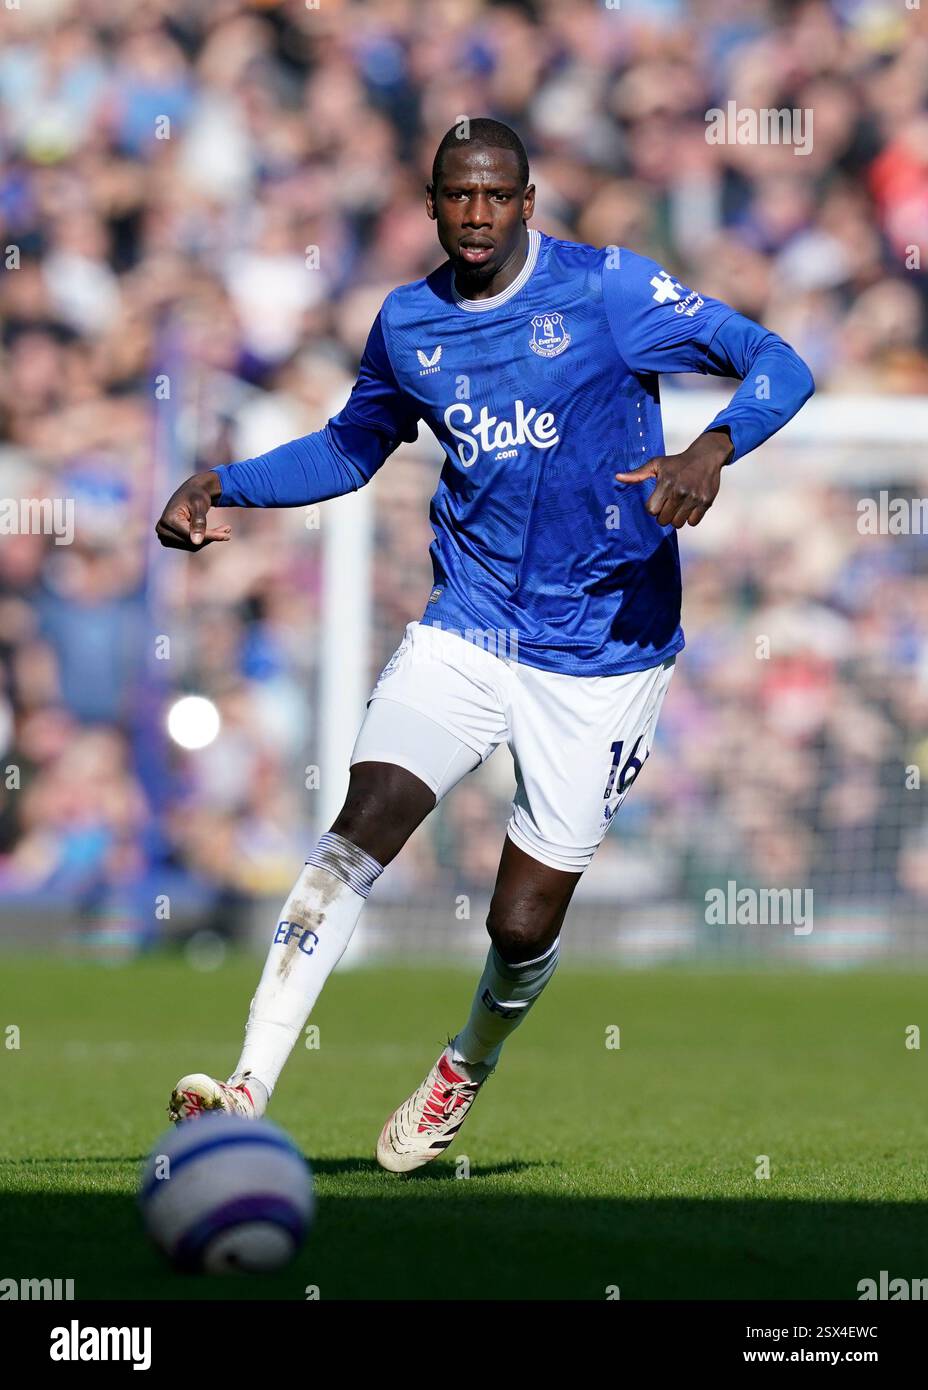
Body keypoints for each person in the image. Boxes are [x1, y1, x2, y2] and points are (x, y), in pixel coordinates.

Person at [155, 118, 814, 1172]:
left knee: (519, 922)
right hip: (467, 625)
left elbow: (779, 361)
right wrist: (222, 481)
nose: (475, 215)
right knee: (358, 829)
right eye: (456, 196)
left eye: (495, 196)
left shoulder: (608, 291)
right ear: (429, 203)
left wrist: (712, 447)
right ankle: (245, 1088)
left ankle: (466, 1062)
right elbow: (348, 447)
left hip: (606, 647)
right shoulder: (408, 324)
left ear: (526, 200)